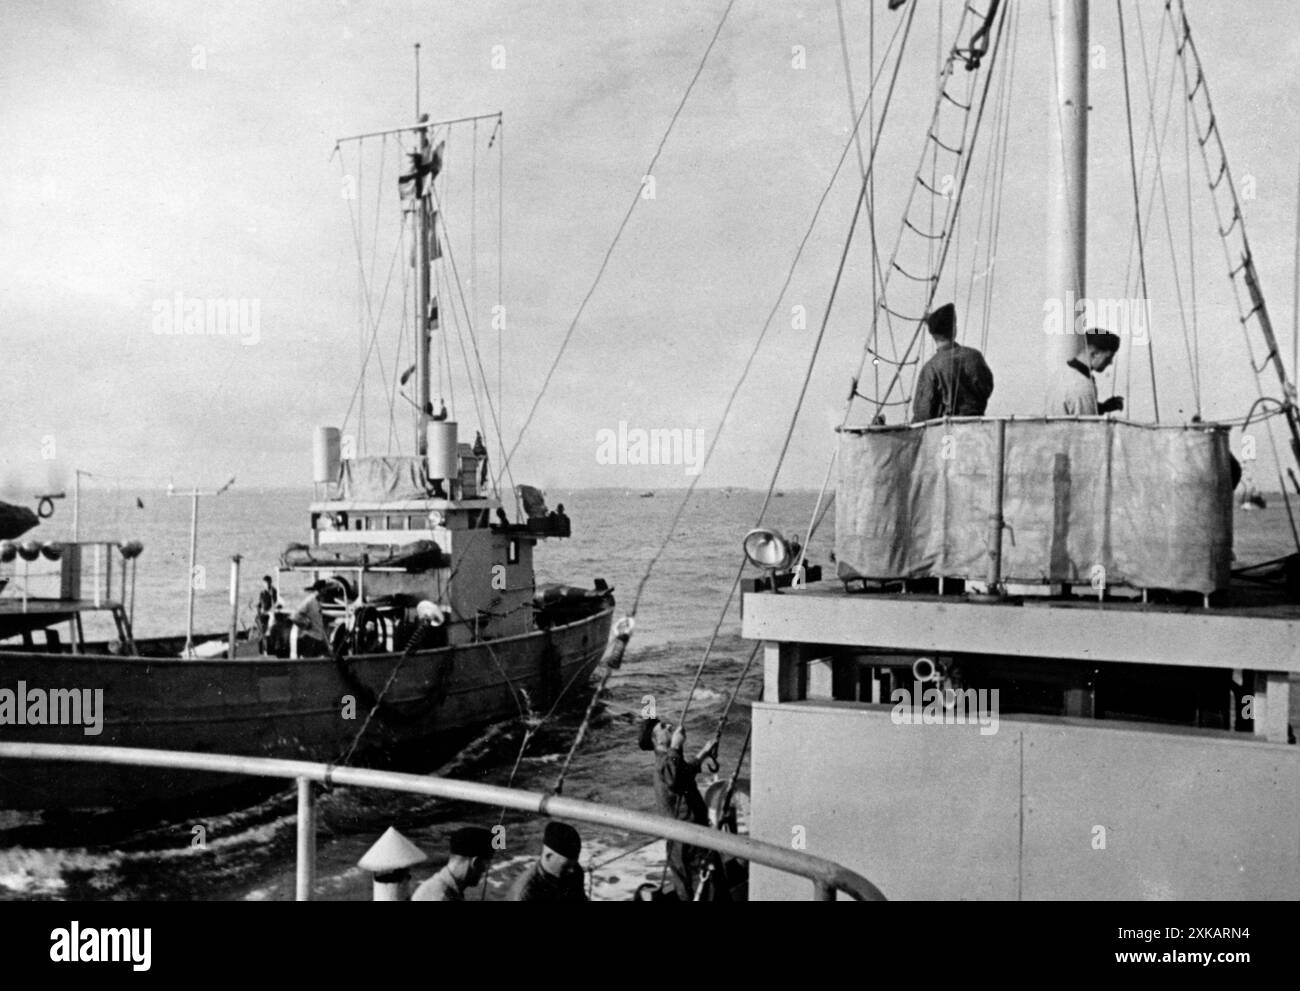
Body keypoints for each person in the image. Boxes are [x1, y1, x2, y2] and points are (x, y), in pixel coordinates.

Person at [640, 717, 719, 901]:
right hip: (687, 845)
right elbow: (675, 777)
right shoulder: (665, 764)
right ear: (656, 740)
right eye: (662, 727)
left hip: (691, 840)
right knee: (703, 892)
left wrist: (703, 754)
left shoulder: (670, 762)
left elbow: (684, 773)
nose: (669, 725)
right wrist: (675, 746)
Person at [911, 302, 994, 422]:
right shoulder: (974, 356)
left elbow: (924, 413)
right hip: (978, 431)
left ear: (933, 334)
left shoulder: (931, 367)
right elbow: (986, 388)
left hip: (947, 434)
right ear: (954, 329)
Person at [1047, 330, 1123, 415]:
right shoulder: (1082, 385)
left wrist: (1103, 407)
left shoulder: (1063, 373)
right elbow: (1087, 426)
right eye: (1109, 357)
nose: (1110, 362)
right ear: (1094, 354)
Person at [507, 822, 588, 901]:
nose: (572, 870)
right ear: (548, 856)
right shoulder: (524, 894)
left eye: (574, 864)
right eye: (566, 866)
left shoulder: (575, 872)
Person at [411, 826, 494, 901]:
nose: (485, 871)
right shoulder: (441, 896)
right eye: (486, 864)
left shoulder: (445, 888)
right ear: (476, 862)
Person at [292, 580, 331, 658]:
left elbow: (319, 622)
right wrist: (305, 624)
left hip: (319, 638)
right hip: (310, 639)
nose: (326, 590)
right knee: (309, 663)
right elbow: (295, 616)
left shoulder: (318, 602)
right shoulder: (310, 601)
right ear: (321, 589)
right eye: (325, 588)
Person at [255, 575, 278, 650]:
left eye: (268, 583)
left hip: (270, 610)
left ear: (271, 582)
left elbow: (274, 602)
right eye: (265, 583)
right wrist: (259, 610)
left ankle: (269, 631)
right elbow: (260, 603)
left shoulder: (273, 591)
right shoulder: (262, 592)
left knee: (272, 616)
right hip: (264, 611)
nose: (267, 585)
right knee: (259, 620)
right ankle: (262, 640)